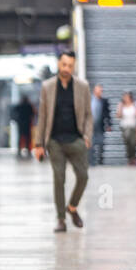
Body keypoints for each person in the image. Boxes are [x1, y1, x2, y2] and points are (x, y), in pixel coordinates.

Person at [32, 50, 93, 233]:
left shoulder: (82, 87)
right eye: (64, 64)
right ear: (59, 64)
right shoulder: (48, 86)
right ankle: (61, 219)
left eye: (70, 66)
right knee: (59, 179)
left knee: (83, 176)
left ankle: (72, 207)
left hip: (76, 139)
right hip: (55, 141)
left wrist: (87, 136)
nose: (67, 68)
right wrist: (38, 144)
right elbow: (42, 116)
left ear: (74, 66)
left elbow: (89, 115)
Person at [118, 91, 136, 166]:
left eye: (127, 97)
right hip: (124, 127)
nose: (125, 98)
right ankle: (130, 158)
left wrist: (135, 107)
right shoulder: (121, 105)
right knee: (127, 142)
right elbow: (119, 116)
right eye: (124, 97)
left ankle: (133, 158)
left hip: (134, 127)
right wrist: (121, 107)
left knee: (133, 143)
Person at [90, 84, 112, 166]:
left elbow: (107, 114)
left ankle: (100, 161)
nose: (100, 92)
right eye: (99, 90)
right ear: (94, 91)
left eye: (101, 90)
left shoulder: (104, 101)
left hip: (100, 126)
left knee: (101, 143)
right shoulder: (89, 100)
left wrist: (109, 124)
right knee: (91, 144)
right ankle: (92, 162)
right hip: (90, 126)